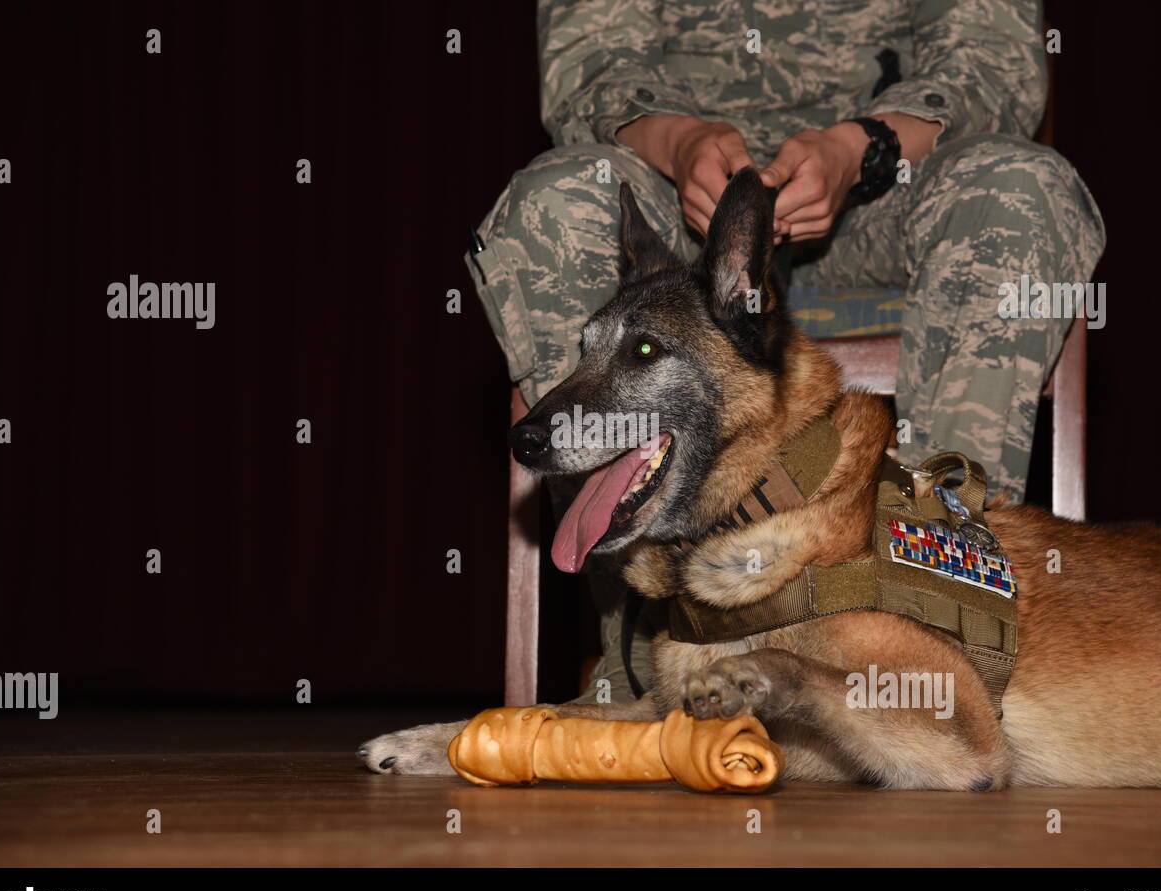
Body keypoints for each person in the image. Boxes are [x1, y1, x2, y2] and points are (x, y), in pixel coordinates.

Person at [465, 0, 1105, 702]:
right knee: (554, 202)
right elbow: (588, 62)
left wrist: (864, 146)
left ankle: (941, 628)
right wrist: (679, 142)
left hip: (884, 195)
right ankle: (643, 650)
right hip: (674, 203)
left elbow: (994, 59)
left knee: (1018, 189)